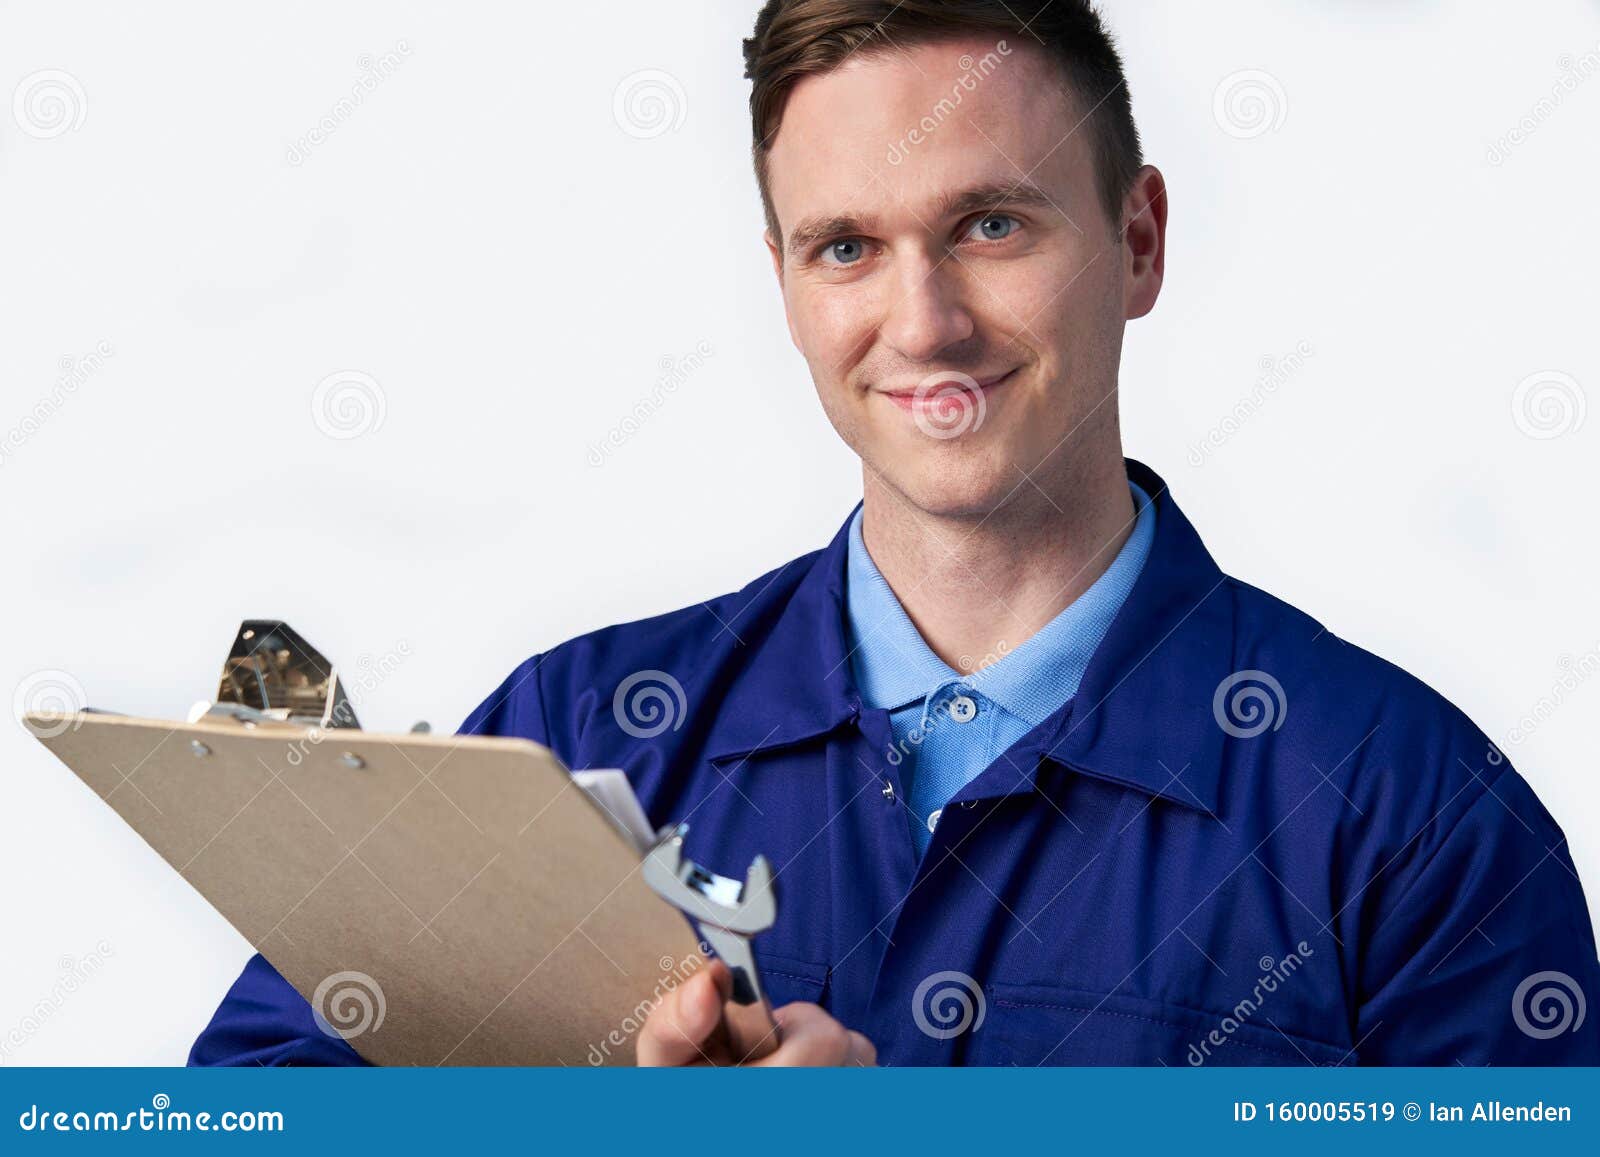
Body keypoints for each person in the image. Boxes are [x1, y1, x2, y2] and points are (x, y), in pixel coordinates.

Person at [191, 0, 1600, 1067]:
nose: (921, 324)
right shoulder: (571, 737)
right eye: (847, 247)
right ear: (787, 281)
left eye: (990, 224)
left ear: (1142, 239)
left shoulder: (1416, 816)